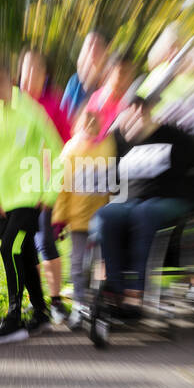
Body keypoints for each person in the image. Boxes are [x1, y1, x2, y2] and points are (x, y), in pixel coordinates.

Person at [90, 97, 194, 307]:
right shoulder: (122, 142)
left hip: (172, 201)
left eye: (131, 118)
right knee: (108, 214)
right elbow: (114, 178)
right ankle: (115, 291)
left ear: (141, 112)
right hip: (131, 204)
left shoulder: (174, 136)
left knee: (144, 211)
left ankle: (137, 291)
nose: (127, 126)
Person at [0, 53, 65, 343]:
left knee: (9, 249)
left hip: (31, 197)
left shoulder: (30, 110)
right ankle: (40, 313)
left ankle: (14, 317)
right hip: (4, 202)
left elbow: (56, 149)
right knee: (25, 256)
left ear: (9, 80)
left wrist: (49, 192)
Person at [20, 49, 73, 322]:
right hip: (18, 187)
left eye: (36, 72)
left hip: (47, 186)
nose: (30, 77)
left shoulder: (54, 105)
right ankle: (35, 300)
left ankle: (55, 301)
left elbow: (67, 145)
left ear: (45, 76)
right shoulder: (13, 104)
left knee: (45, 239)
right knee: (25, 243)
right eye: (26, 71)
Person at [51, 108, 116, 328]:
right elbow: (63, 188)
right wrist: (59, 219)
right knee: (77, 265)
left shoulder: (109, 145)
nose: (90, 126)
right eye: (85, 122)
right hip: (78, 219)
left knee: (101, 263)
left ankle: (101, 305)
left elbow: (116, 180)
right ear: (78, 124)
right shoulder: (71, 149)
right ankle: (80, 305)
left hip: (103, 217)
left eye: (94, 122)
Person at [83, 52, 138, 141]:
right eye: (122, 73)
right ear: (110, 71)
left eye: (130, 74)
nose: (126, 80)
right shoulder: (96, 98)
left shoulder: (129, 106)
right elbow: (84, 130)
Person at [61, 30, 108, 123]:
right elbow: (62, 117)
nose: (93, 49)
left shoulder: (105, 90)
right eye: (90, 45)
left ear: (105, 55)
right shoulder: (74, 81)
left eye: (98, 45)